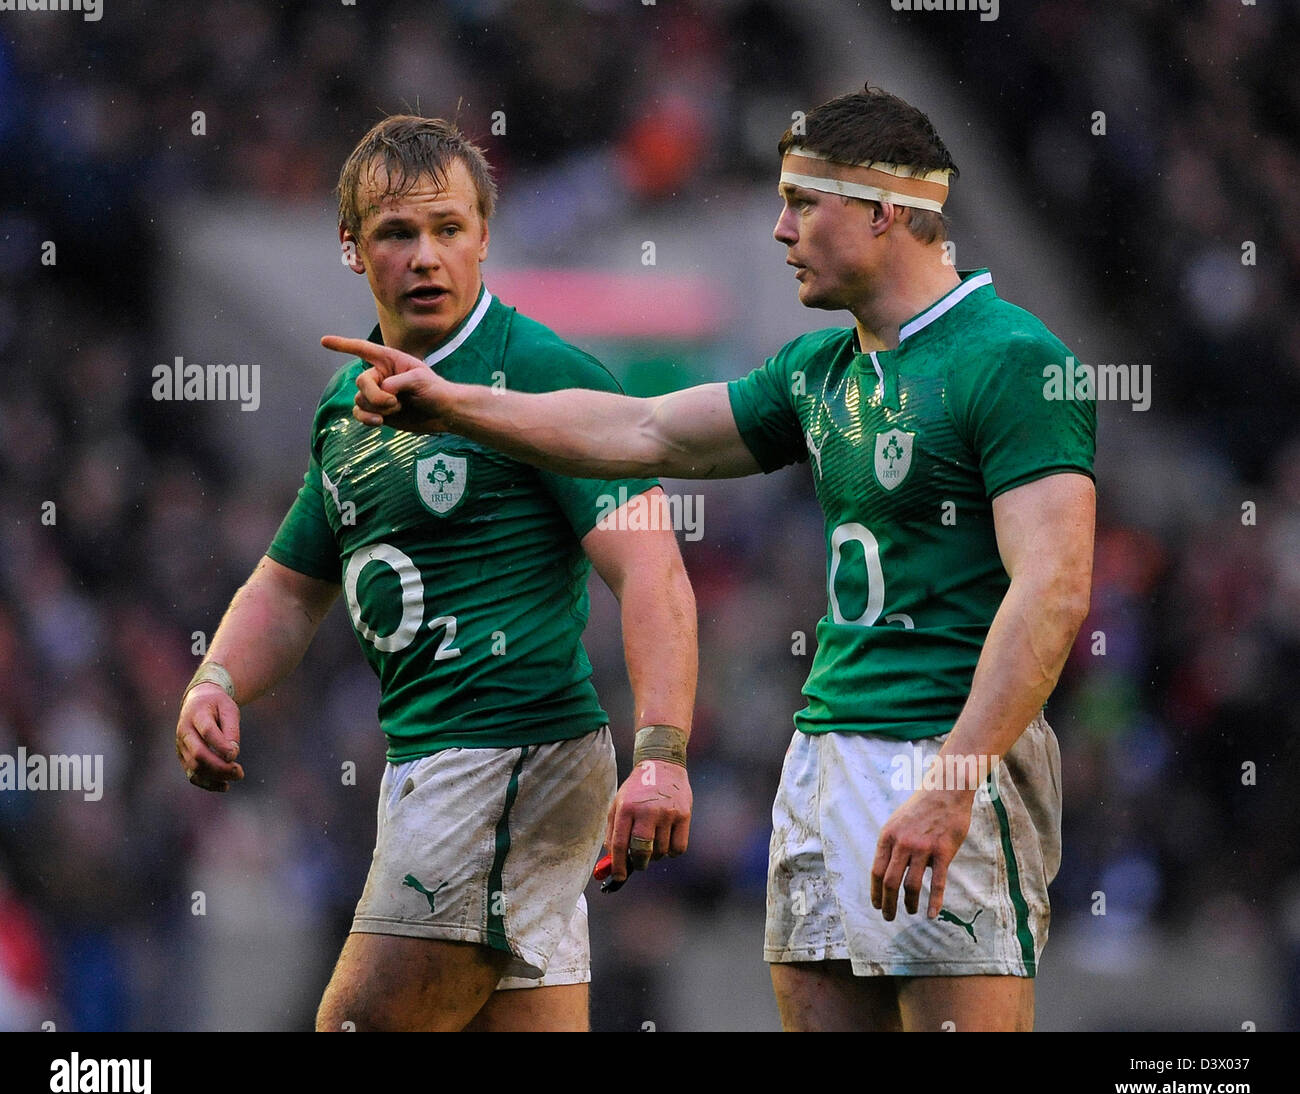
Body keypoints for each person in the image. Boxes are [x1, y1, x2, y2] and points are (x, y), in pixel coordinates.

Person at [330, 85, 1096, 1032]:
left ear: (884, 210)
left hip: (945, 759)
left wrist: (951, 781)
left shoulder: (1015, 358)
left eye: (802, 204)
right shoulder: (820, 370)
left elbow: (1054, 589)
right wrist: (453, 403)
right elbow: (641, 429)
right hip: (823, 767)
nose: (780, 230)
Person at [173, 115, 696, 1032]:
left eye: (448, 230)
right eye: (396, 234)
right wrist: (217, 678)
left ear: (485, 236)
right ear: (349, 248)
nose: (425, 257)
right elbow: (291, 587)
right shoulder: (346, 404)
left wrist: (661, 752)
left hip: (507, 760)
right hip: (441, 771)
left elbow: (652, 566)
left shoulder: (540, 372)